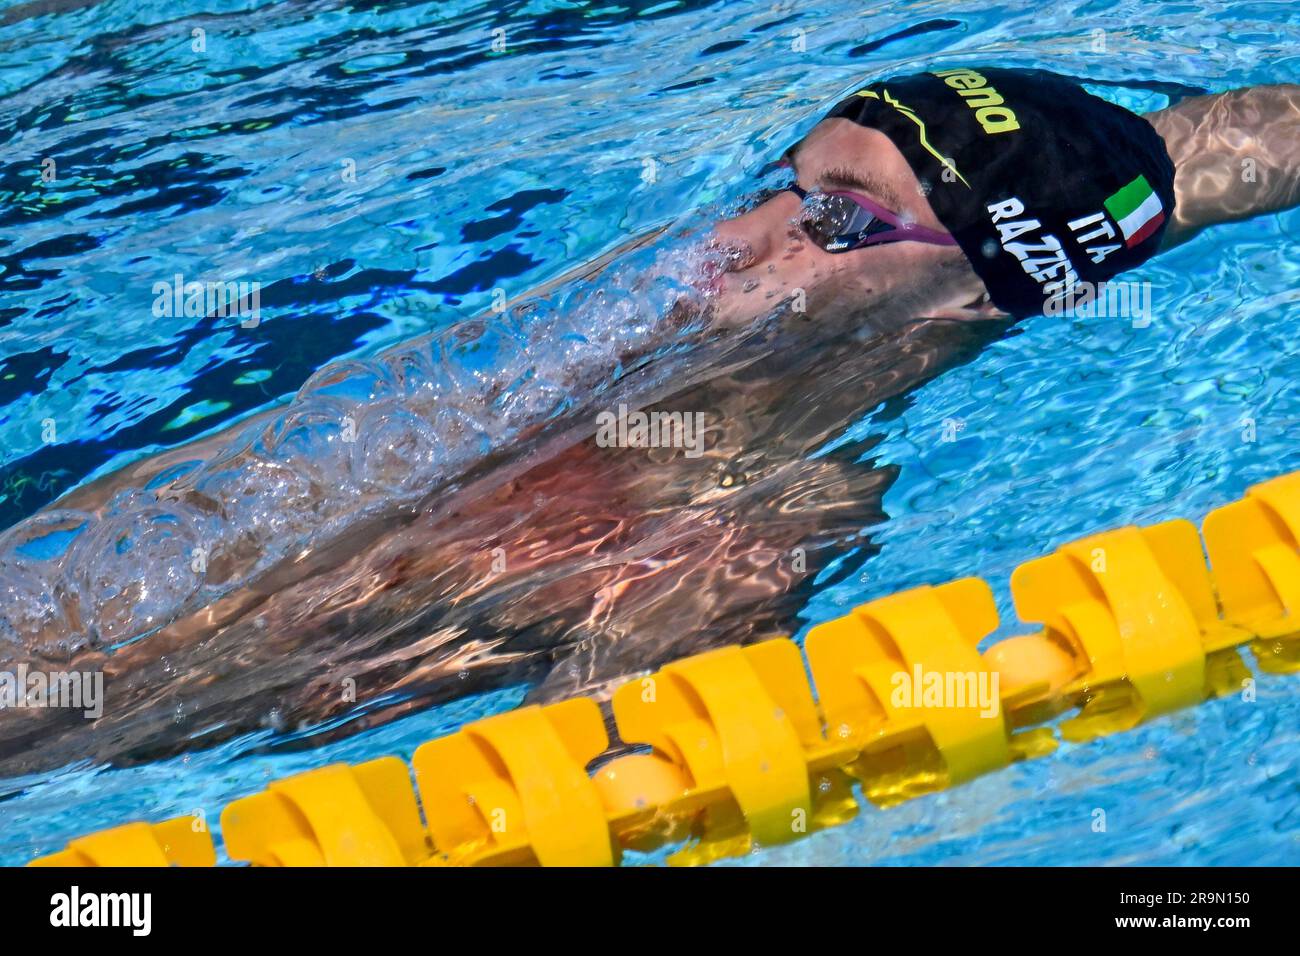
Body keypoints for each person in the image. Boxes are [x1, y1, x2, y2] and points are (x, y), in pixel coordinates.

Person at [1, 66, 1296, 770]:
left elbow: (580, 793)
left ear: (969, 293)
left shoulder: (742, 536)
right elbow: (1192, 160)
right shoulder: (723, 322)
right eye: (785, 184)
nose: (737, 241)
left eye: (838, 223)